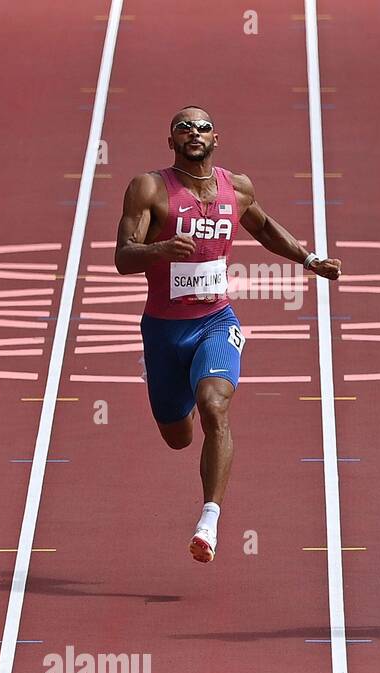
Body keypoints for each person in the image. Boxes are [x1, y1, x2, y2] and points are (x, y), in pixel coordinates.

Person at [114, 106, 342, 562]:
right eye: (183, 127)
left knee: (214, 406)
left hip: (216, 320)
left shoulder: (236, 187)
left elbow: (263, 227)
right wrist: (159, 248)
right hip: (163, 329)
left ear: (215, 138)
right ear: (172, 140)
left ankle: (208, 521)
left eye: (201, 128)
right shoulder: (149, 188)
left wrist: (308, 258)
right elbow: (123, 256)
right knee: (178, 436)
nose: (193, 133)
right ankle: (169, 382)